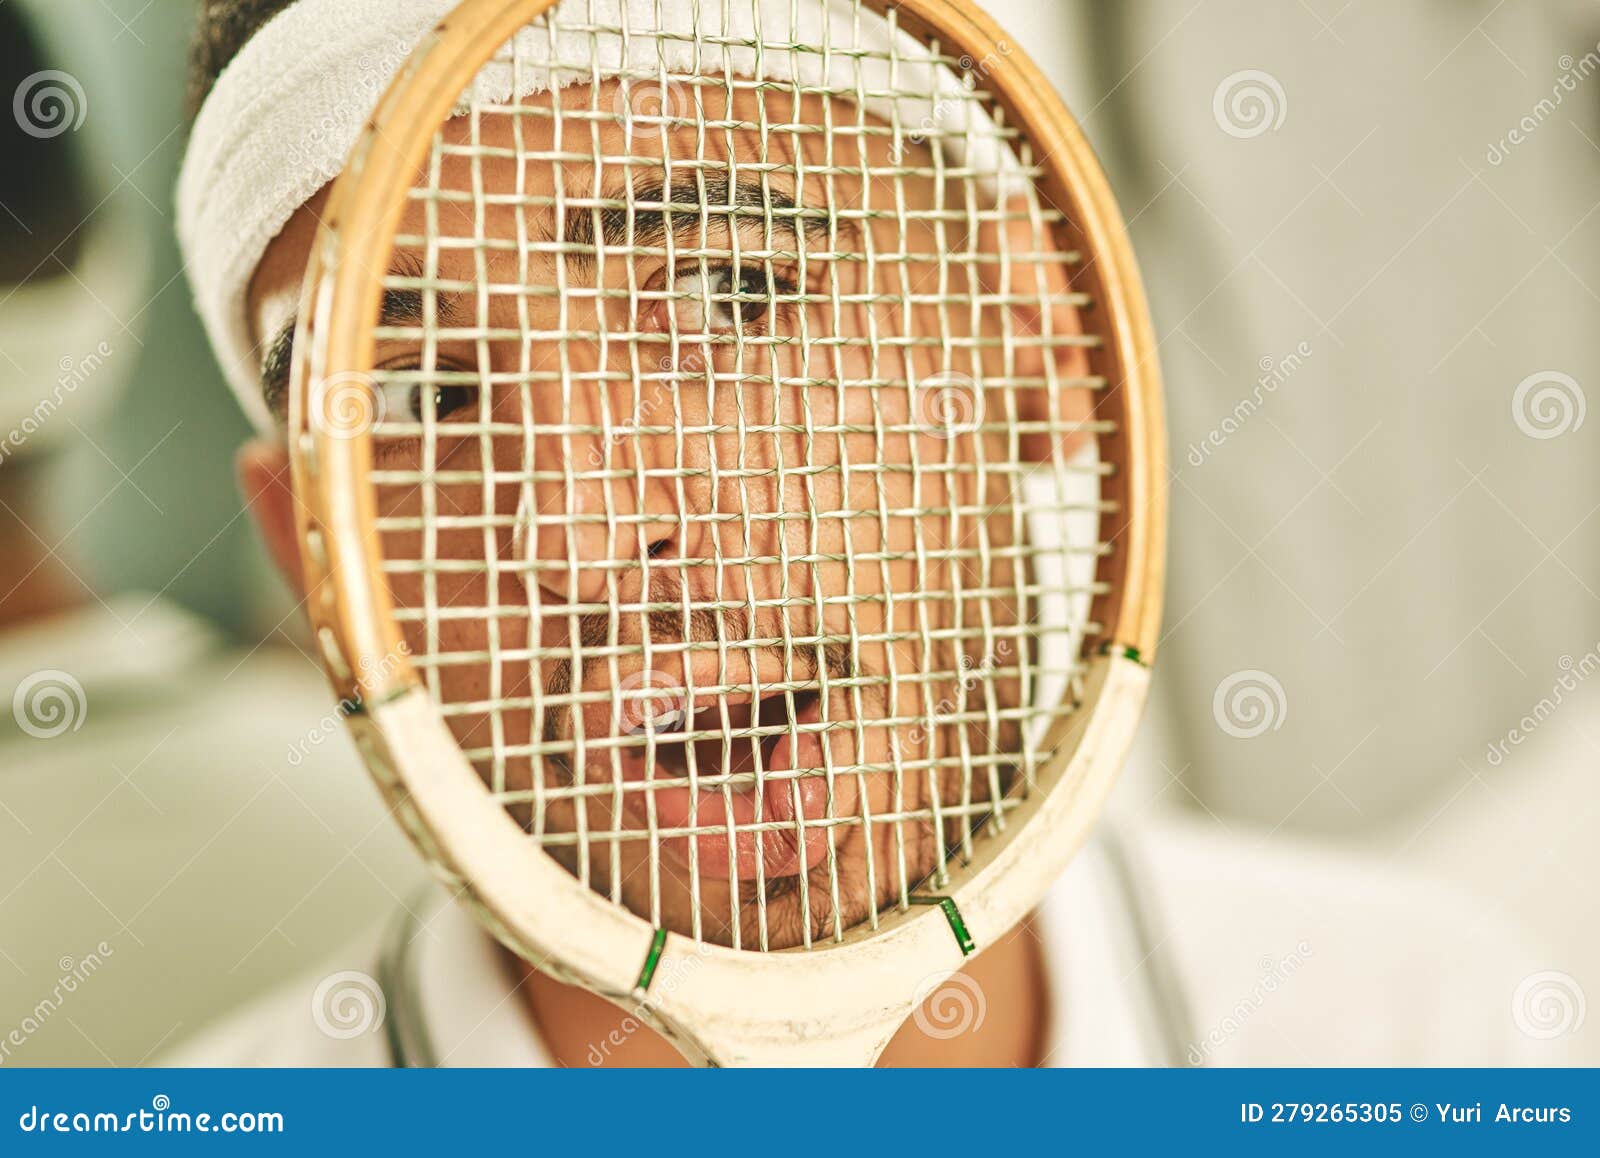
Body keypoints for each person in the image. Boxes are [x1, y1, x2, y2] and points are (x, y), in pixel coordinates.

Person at [169, 0, 1570, 1067]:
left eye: (726, 291)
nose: (583, 530)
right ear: (312, 556)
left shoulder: (1444, 1032)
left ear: (1036, 348)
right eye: (418, 395)